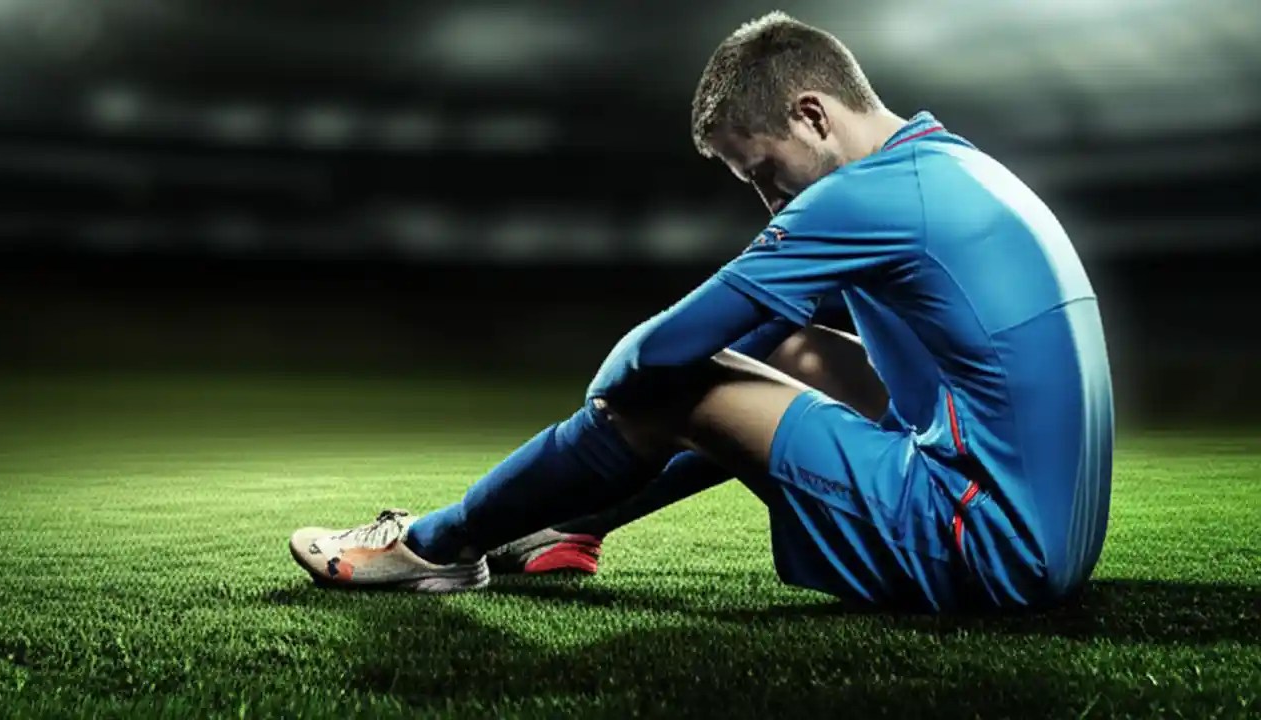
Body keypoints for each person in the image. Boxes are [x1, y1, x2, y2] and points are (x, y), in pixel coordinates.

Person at [289, 11, 1113, 612]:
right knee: (798, 353)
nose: (767, 202)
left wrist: (620, 413)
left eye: (762, 172)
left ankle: (435, 547)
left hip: (987, 551)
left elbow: (643, 359)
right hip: (1053, 543)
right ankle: (568, 524)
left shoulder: (860, 200)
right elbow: (783, 338)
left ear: (814, 115)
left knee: (668, 389)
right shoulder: (951, 165)